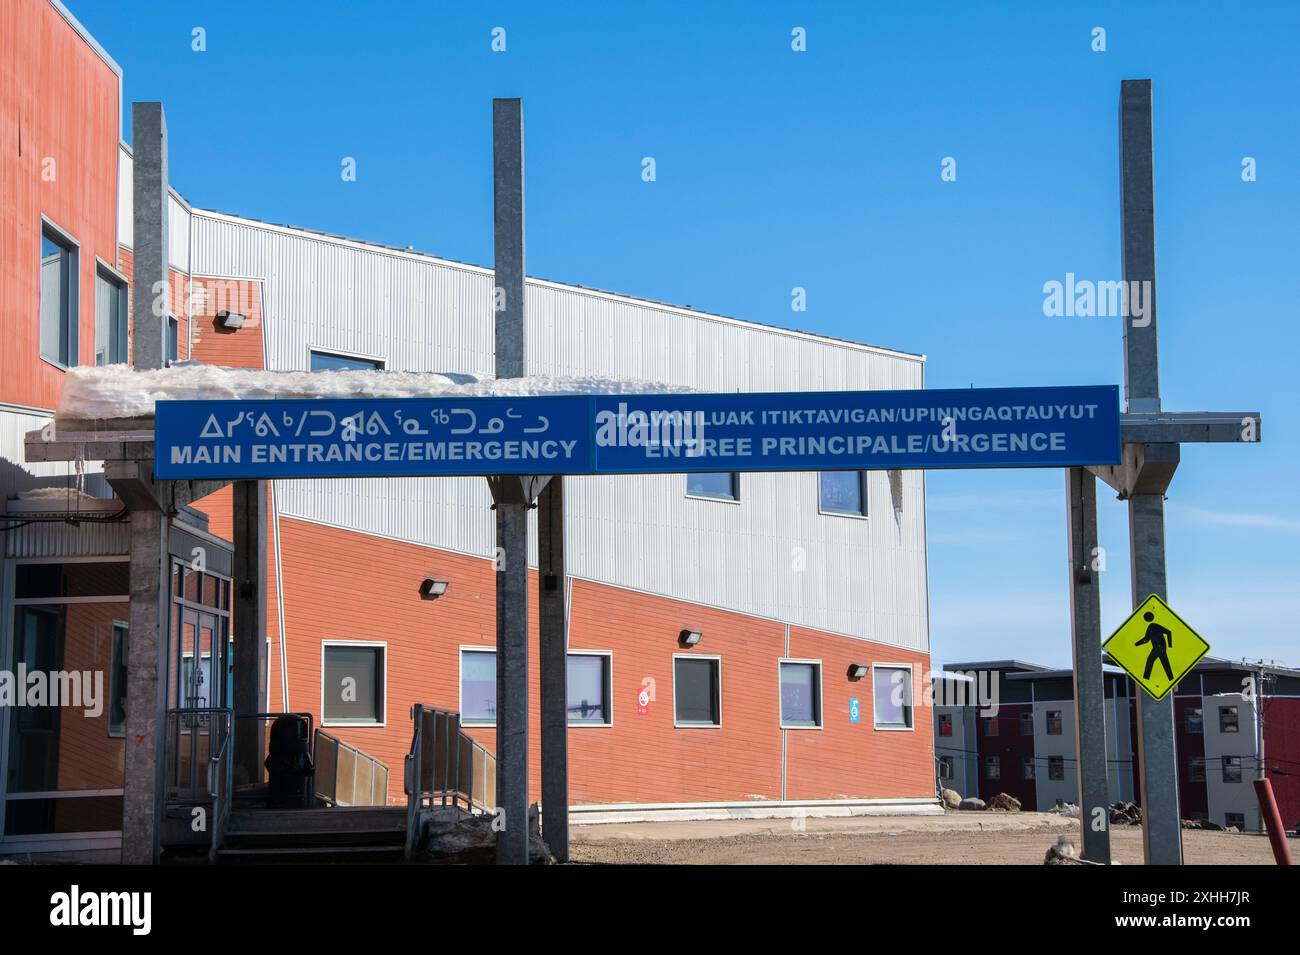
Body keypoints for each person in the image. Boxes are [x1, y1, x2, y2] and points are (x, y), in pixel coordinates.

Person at [1135, 611, 1173, 681]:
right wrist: (1136, 644)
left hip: (1159, 647)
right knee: (1165, 663)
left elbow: (1169, 632)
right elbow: (1146, 640)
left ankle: (1146, 678)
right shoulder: (1150, 628)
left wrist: (1170, 645)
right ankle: (1171, 678)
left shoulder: (1153, 626)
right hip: (1160, 648)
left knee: (1150, 660)